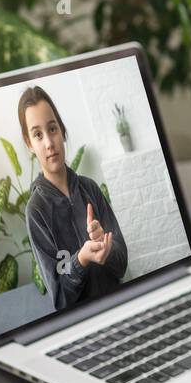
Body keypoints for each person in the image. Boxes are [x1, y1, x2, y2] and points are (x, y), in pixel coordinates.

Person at [20, 85, 128, 311]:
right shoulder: (36, 211)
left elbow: (122, 265)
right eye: (38, 135)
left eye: (52, 129)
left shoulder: (90, 188)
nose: (49, 143)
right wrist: (81, 260)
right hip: (84, 325)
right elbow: (60, 299)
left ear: (62, 131)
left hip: (121, 306)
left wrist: (106, 248)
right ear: (29, 144)